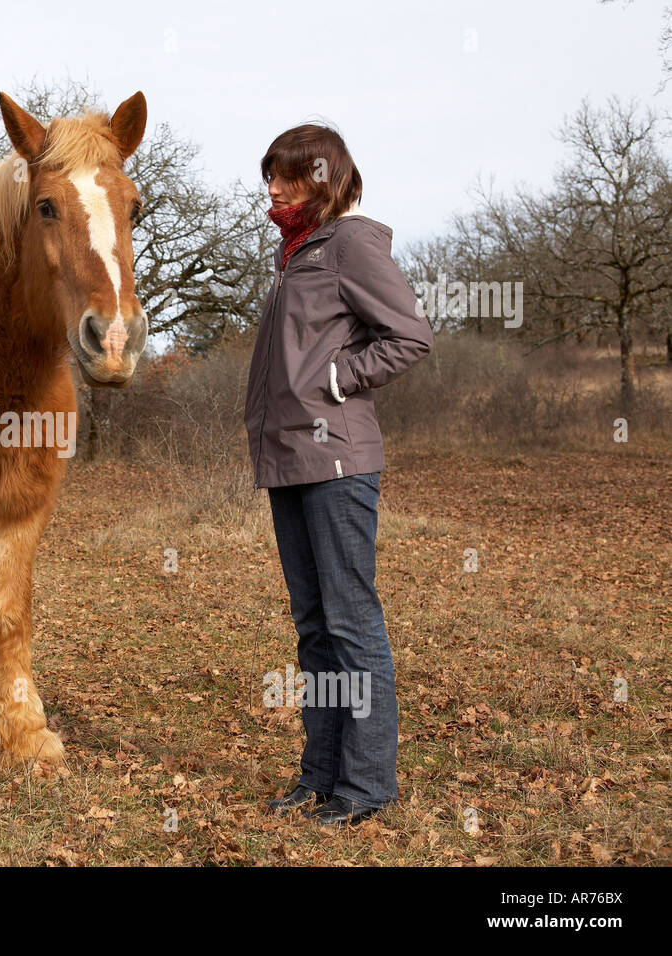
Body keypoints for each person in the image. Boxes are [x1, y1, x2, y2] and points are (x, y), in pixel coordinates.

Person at [244, 124, 434, 826]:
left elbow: (410, 335)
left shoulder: (350, 245)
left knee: (352, 624)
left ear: (323, 177)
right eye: (269, 175)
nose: (271, 188)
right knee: (315, 628)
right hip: (289, 457)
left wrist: (338, 376)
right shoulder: (294, 250)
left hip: (338, 460)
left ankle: (365, 786)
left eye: (286, 177)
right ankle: (320, 774)